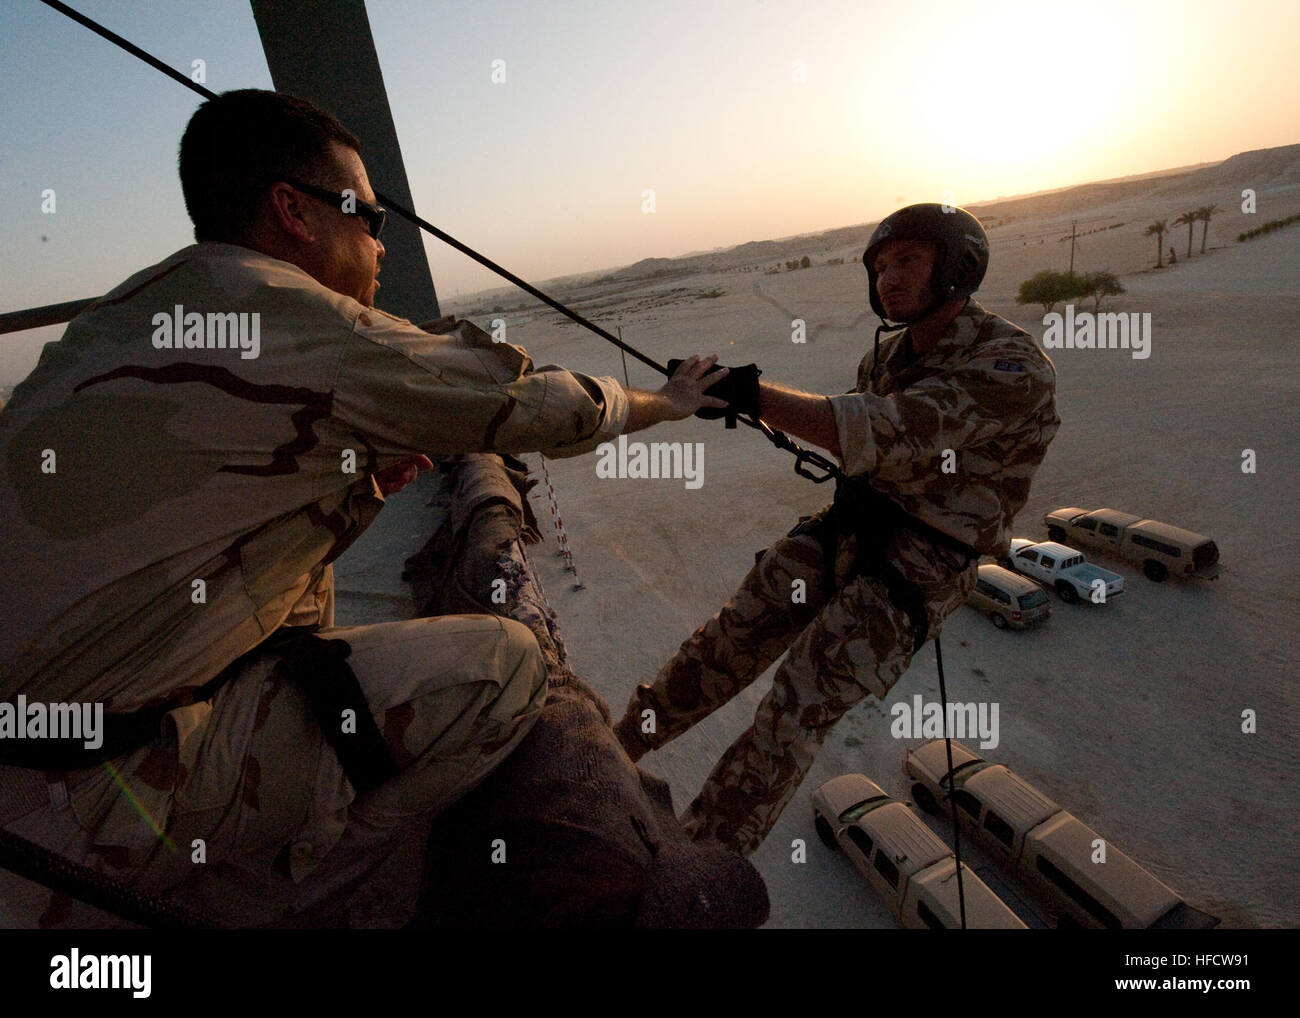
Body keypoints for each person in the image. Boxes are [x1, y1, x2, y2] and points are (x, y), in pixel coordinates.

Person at [0, 89, 728, 926]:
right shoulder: (303, 322)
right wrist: (666, 403)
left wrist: (345, 497)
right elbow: (533, 406)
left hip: (35, 752)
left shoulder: (118, 318)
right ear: (293, 211)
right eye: (369, 218)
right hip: (84, 802)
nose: (382, 245)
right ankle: (314, 898)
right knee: (509, 667)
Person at [614, 203, 1061, 856]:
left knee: (798, 702)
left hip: (921, 567)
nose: (888, 278)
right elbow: (859, 434)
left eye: (907, 260)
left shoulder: (1011, 367)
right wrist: (735, 399)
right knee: (733, 632)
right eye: (880, 267)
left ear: (957, 267)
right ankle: (618, 746)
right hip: (853, 526)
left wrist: (750, 395)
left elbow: (884, 429)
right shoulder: (884, 358)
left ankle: (702, 870)